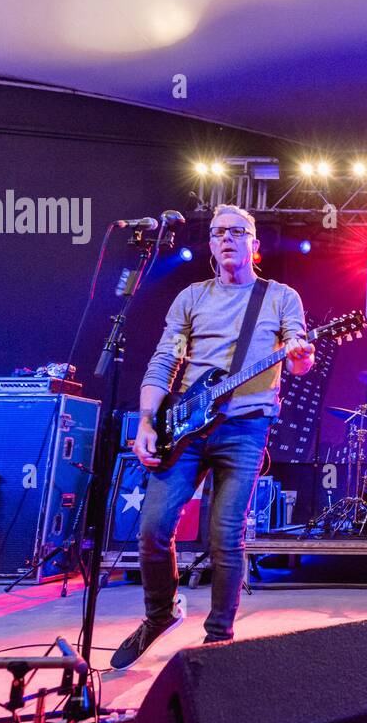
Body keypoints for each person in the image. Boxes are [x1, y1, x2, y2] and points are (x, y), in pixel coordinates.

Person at [112, 205, 314, 669]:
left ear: (254, 245)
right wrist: (147, 420)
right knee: (152, 531)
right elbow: (165, 361)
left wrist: (300, 356)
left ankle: (218, 640)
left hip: (246, 427)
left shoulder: (281, 297)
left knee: (225, 536)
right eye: (219, 232)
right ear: (211, 244)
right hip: (185, 426)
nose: (227, 238)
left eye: (237, 232)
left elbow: (299, 357)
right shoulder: (191, 298)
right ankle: (160, 615)